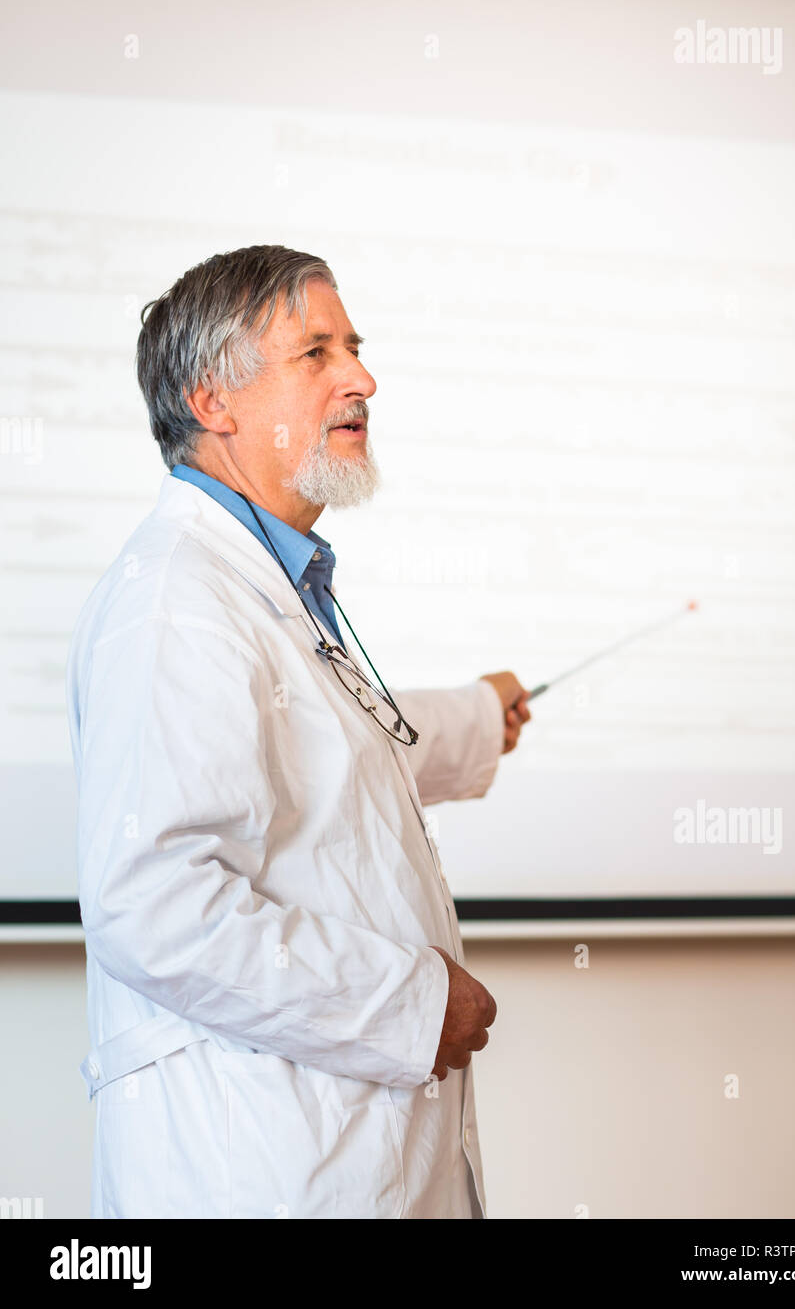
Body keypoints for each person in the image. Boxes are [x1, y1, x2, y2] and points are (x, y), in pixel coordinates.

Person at [66, 244, 531, 1220]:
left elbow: (329, 764)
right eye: (314, 351)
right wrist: (410, 1003)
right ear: (213, 401)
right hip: (254, 1169)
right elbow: (151, 903)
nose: (361, 377)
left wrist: (478, 717)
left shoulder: (265, 587)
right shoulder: (175, 603)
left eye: (352, 348)